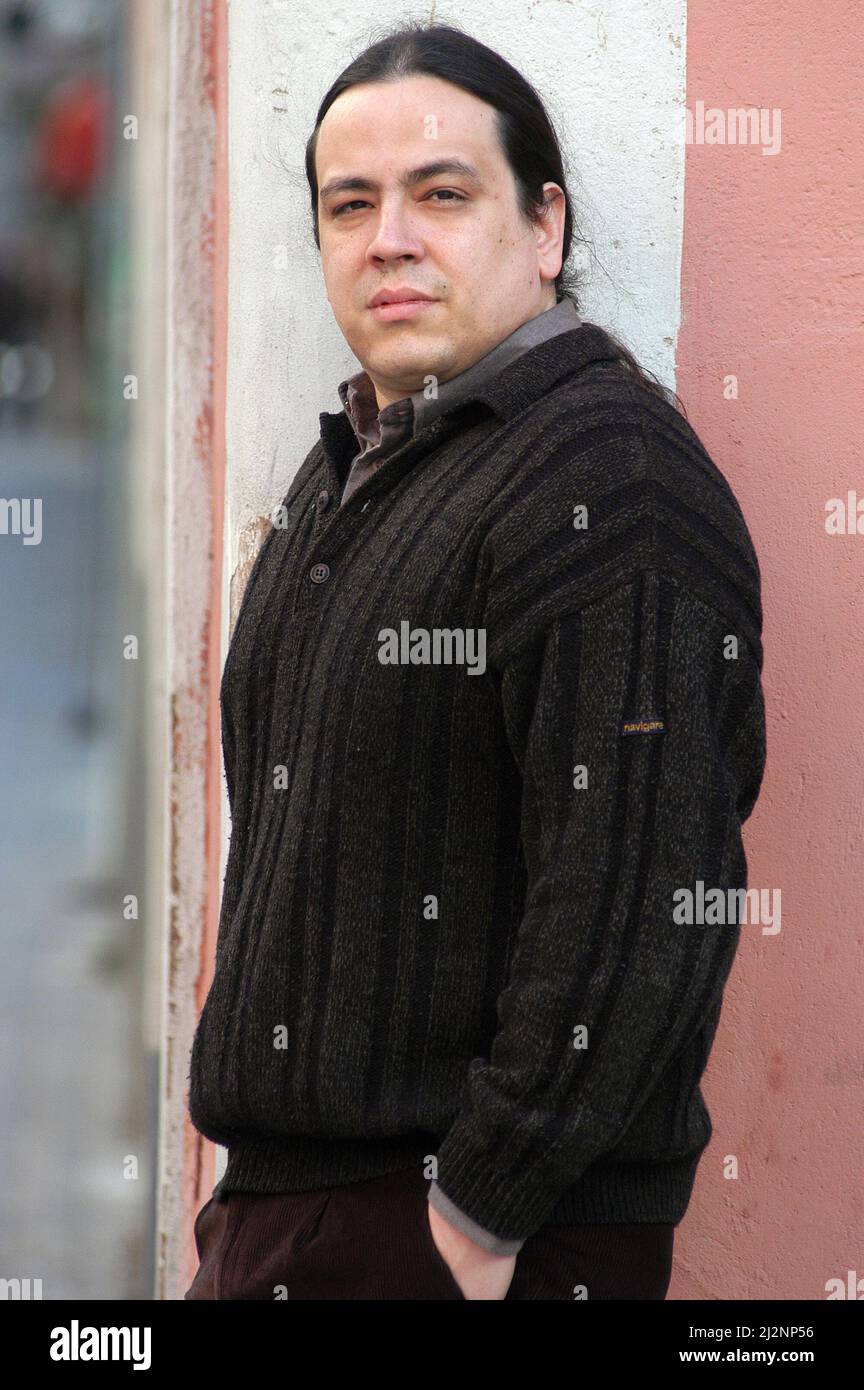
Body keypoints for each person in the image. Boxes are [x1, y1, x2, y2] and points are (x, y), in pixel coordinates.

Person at [185, 21, 767, 1301]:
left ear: (545, 227)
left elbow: (646, 882)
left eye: (442, 193)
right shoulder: (351, 468)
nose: (389, 235)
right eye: (351, 204)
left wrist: (477, 1224)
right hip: (305, 1218)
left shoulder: (604, 477)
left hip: (468, 1237)